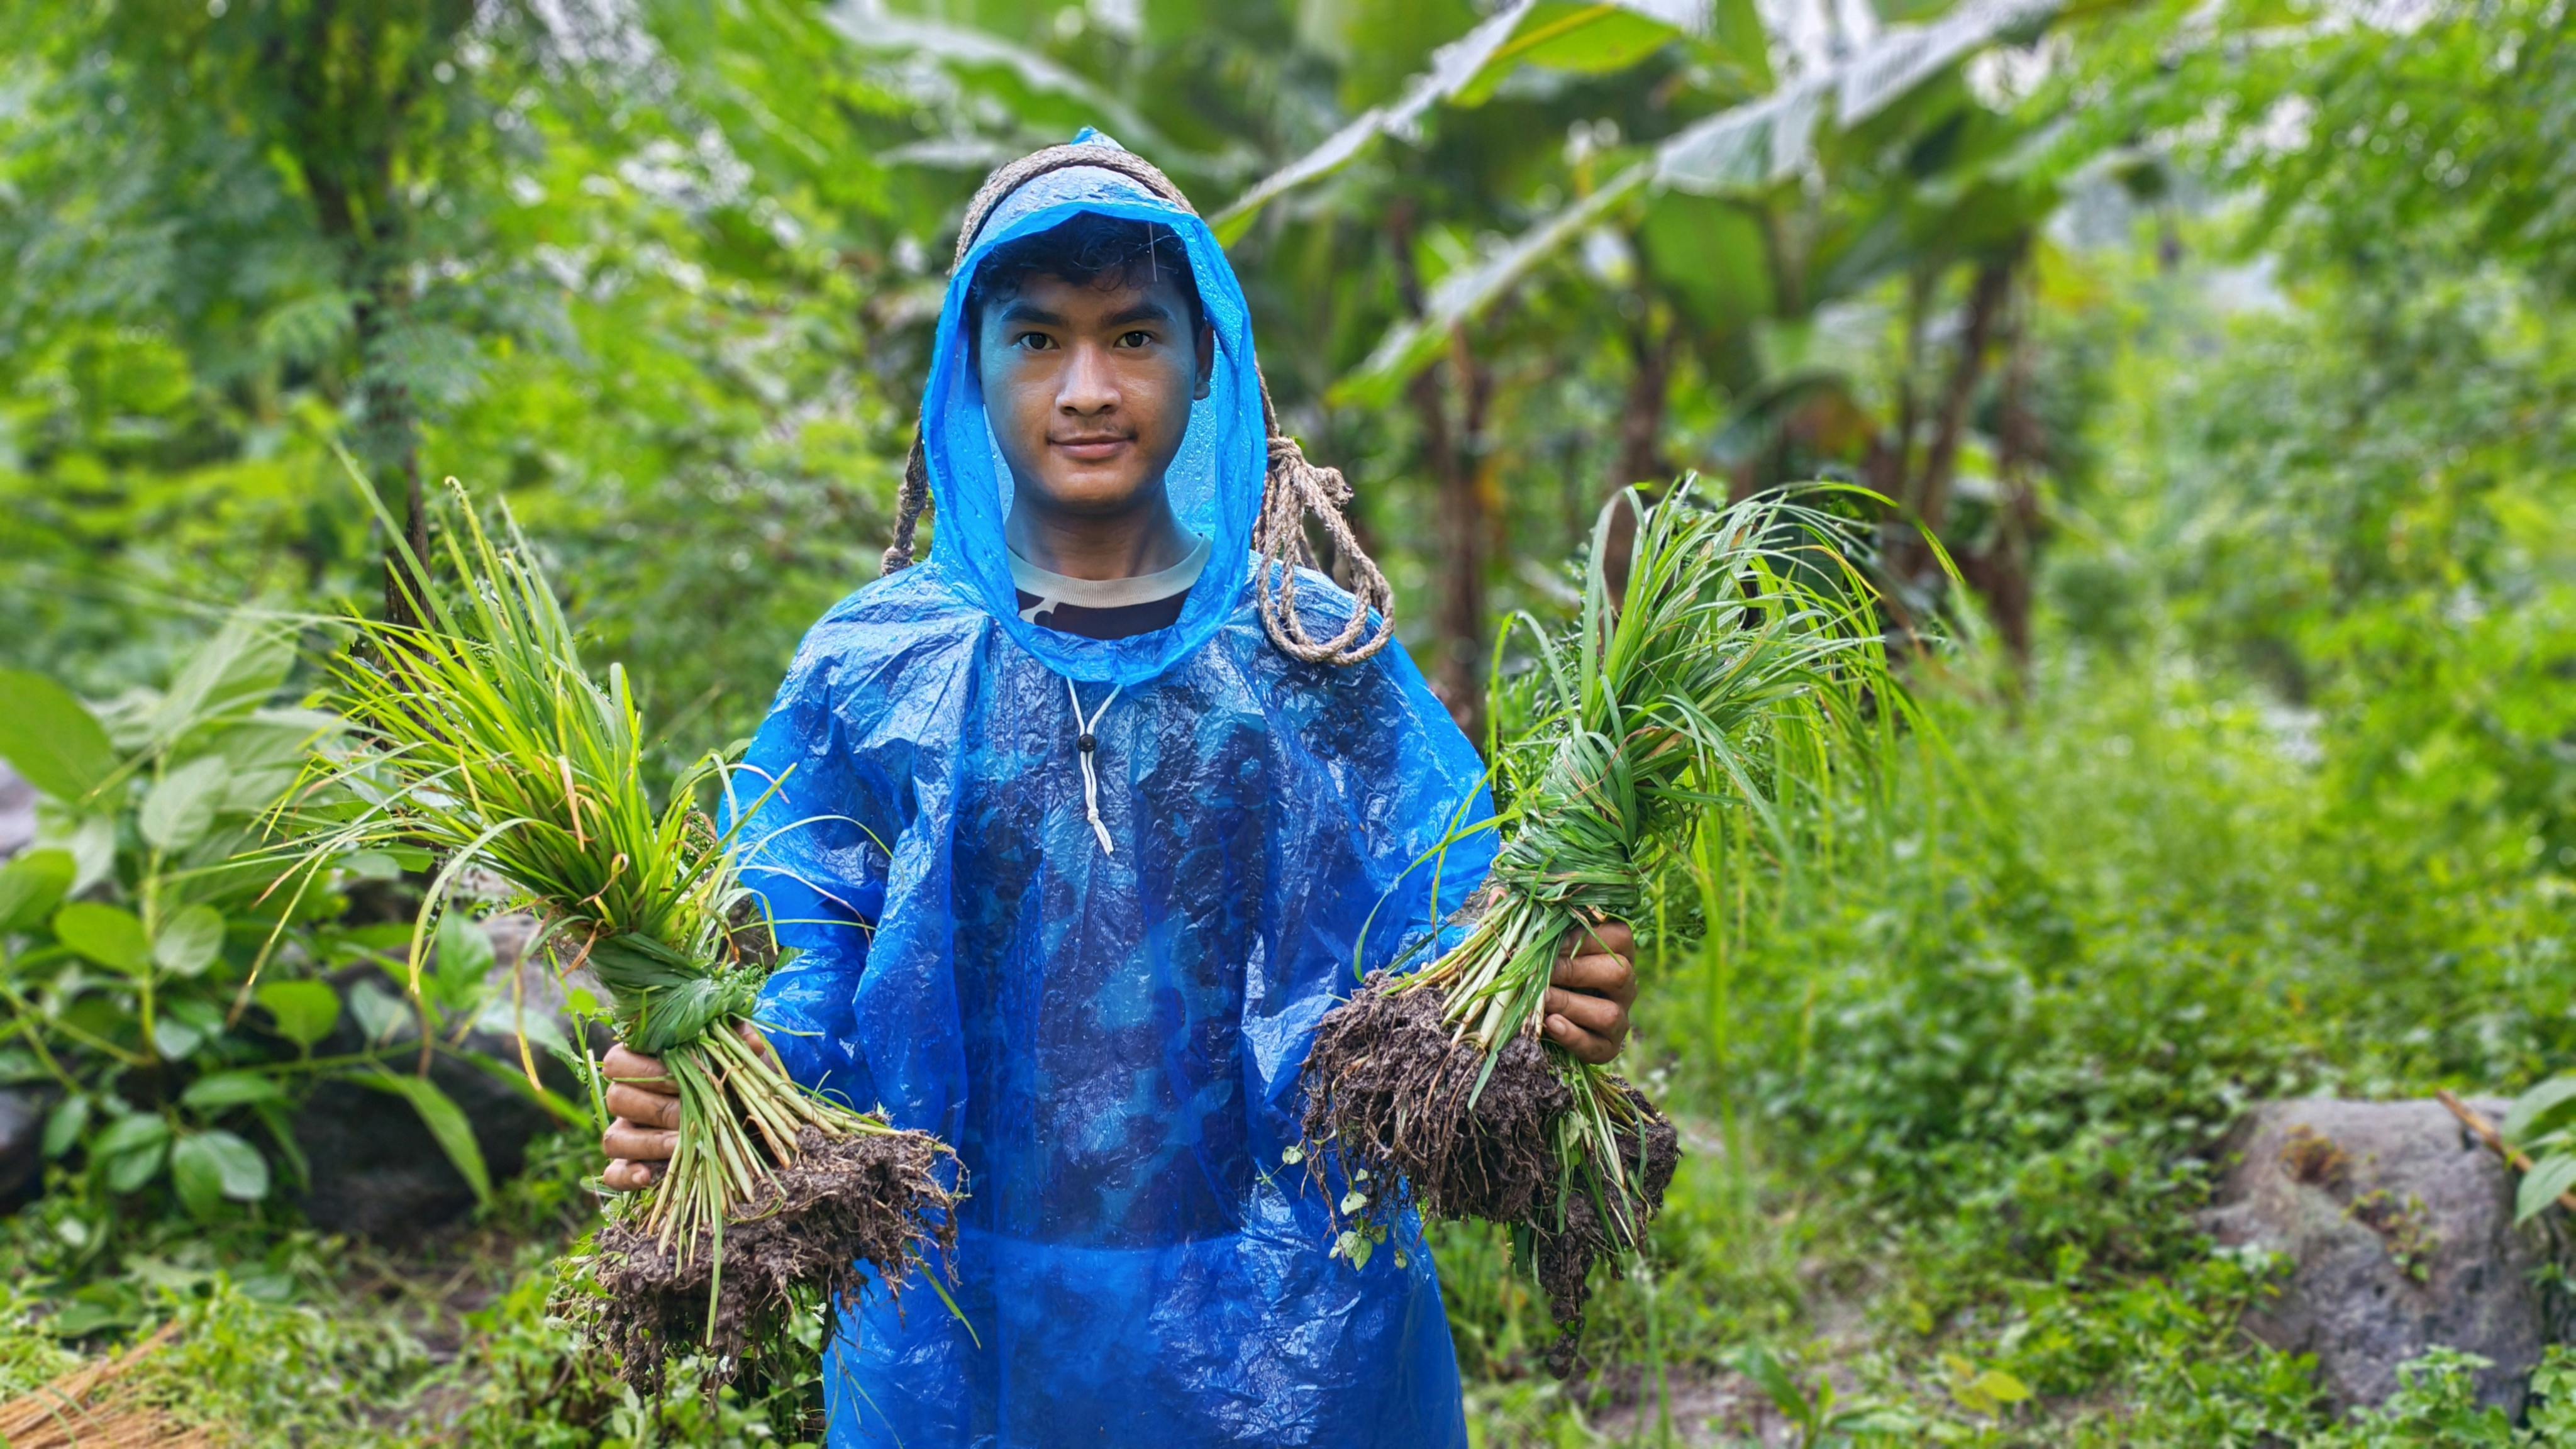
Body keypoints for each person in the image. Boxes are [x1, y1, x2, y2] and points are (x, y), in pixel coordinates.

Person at [594, 131, 1638, 1446]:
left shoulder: (1314, 657)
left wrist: (1546, 991)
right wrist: (711, 1071)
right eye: (1036, 339)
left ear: (1205, 358)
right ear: (969, 369)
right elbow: (794, 948)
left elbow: (1446, 925)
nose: (1086, 388)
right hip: (960, 1334)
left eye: (1133, 336)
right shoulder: (877, 667)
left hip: (1295, 1332)